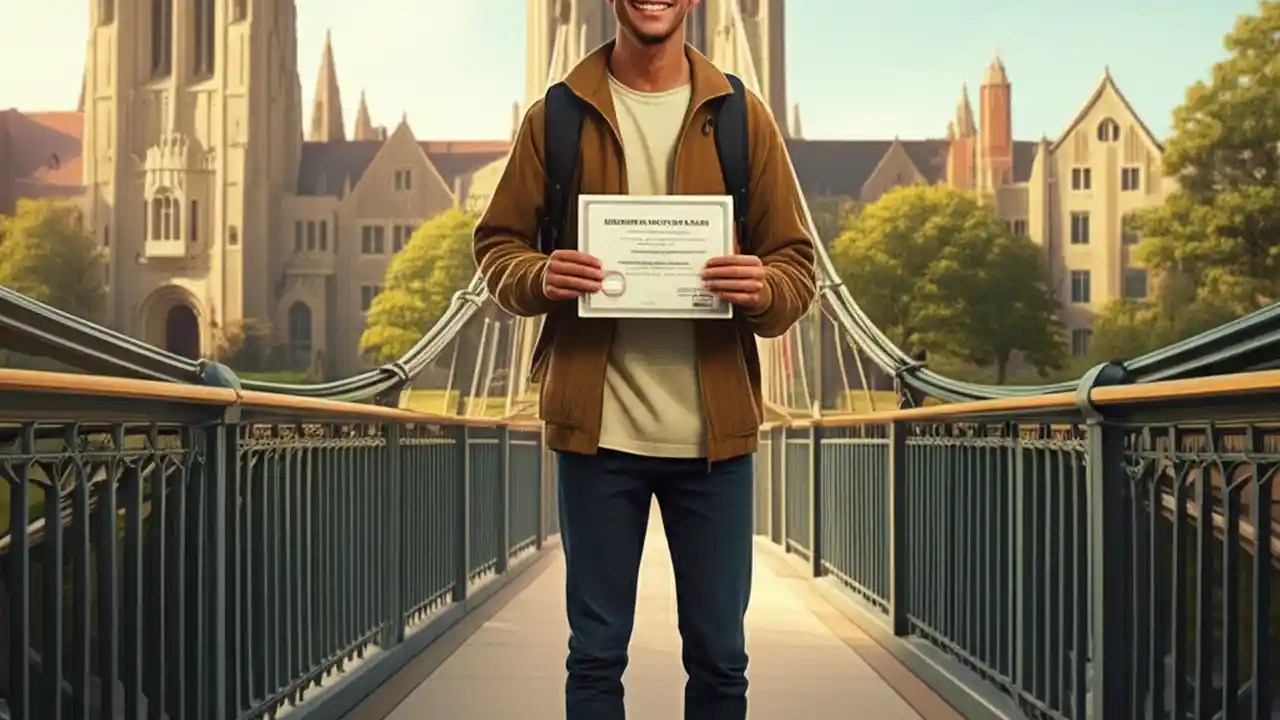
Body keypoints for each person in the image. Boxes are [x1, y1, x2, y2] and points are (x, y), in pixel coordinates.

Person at [473, 1, 815, 717]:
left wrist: (765, 287)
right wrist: (538, 276)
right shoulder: (557, 117)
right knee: (595, 658)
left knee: (721, 660)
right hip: (597, 437)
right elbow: (497, 247)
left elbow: (796, 269)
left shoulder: (744, 119)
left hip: (713, 442)